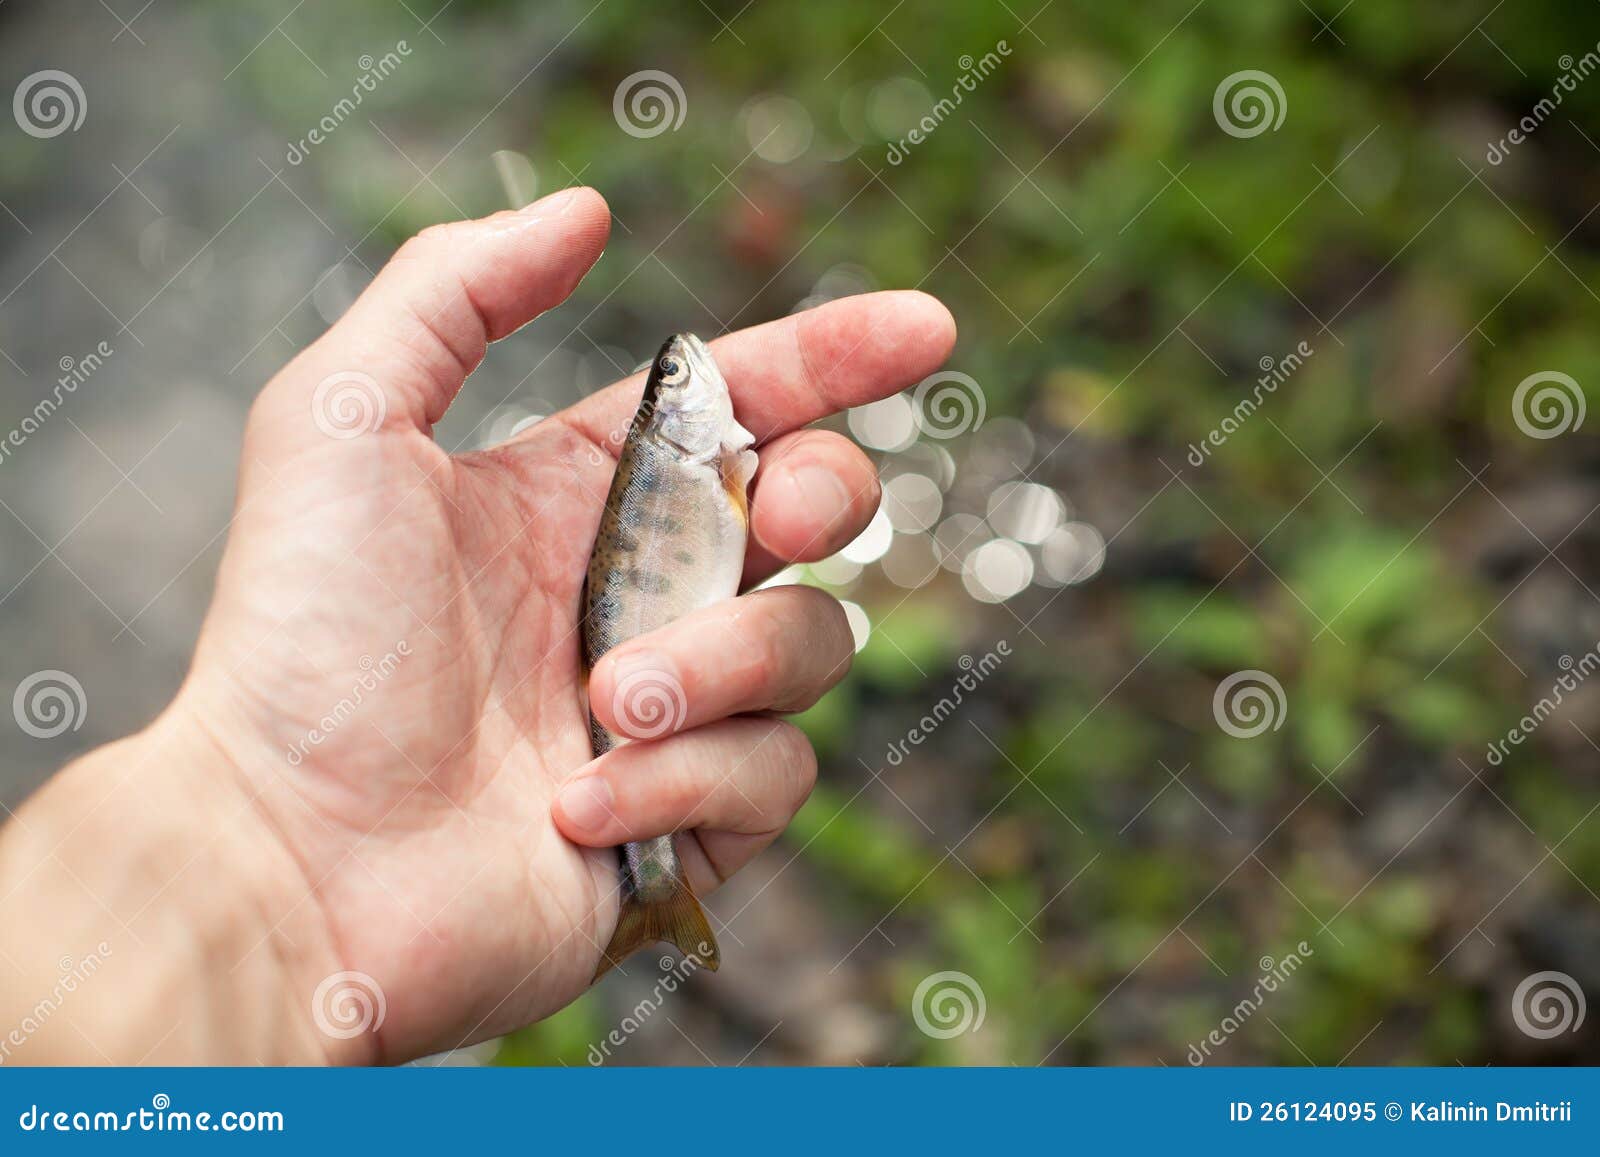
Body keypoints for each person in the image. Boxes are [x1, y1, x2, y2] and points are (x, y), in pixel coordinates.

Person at [0, 187, 957, 1064]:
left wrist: (266, 849)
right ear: (674, 414)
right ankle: (650, 894)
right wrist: (271, 817)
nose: (683, 371)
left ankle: (650, 893)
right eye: (672, 378)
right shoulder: (698, 456)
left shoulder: (690, 458)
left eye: (666, 378)